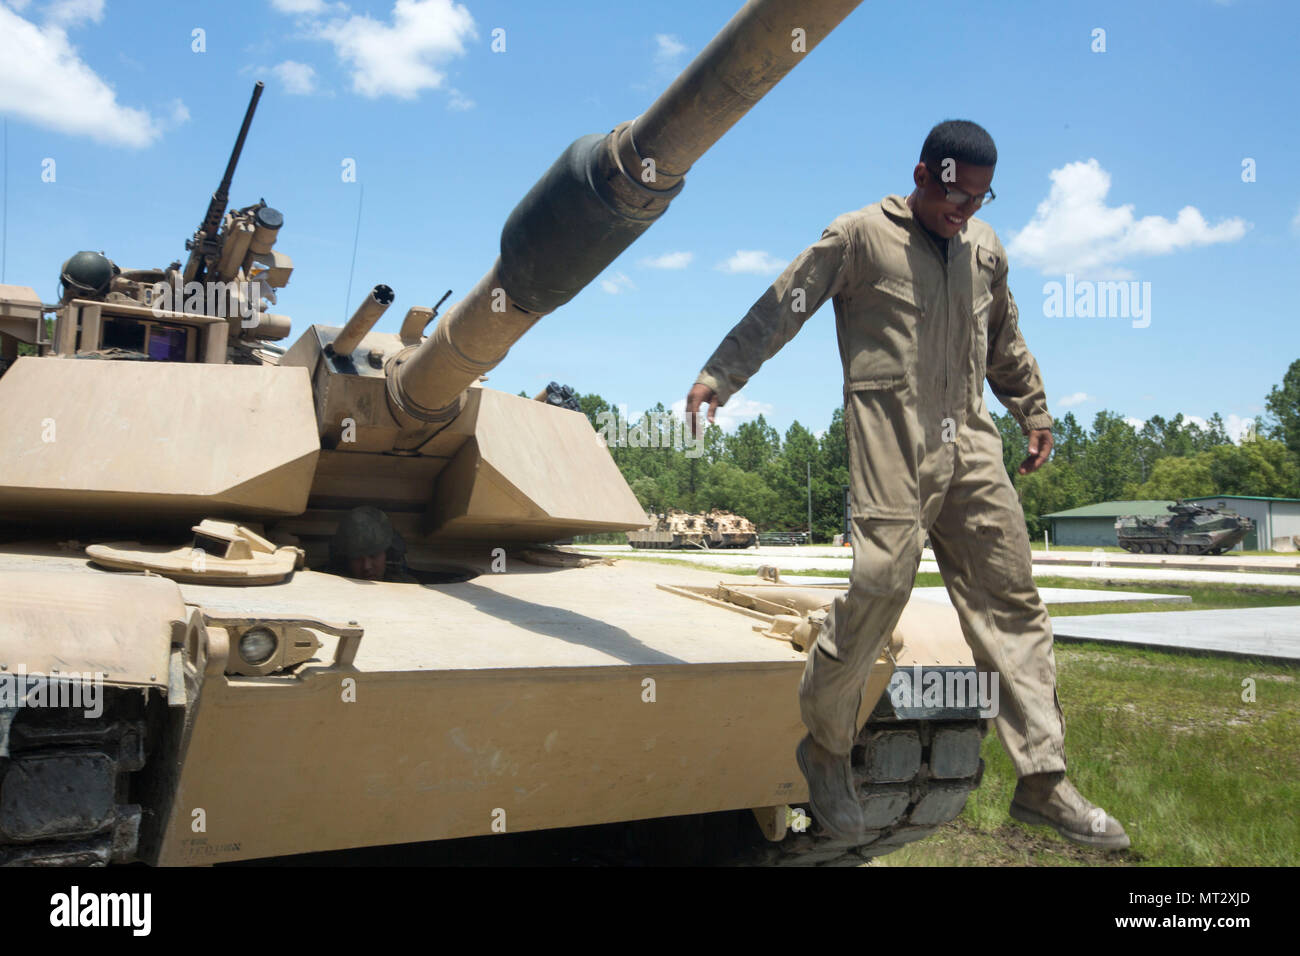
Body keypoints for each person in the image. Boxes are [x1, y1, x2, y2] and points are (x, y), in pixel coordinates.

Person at [685, 120, 1129, 850]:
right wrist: (723, 373)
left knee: (1011, 597)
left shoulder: (984, 250)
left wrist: (1033, 410)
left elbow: (1005, 340)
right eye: (957, 196)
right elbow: (786, 303)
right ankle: (826, 746)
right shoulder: (859, 236)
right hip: (892, 430)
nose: (967, 212)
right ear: (924, 174)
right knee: (883, 580)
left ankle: (1044, 778)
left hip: (972, 436)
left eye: (982, 200)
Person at [328, 506, 412, 582]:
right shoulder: (333, 589)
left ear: (387, 554)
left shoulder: (408, 589)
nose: (366, 567)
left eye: (373, 555)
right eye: (357, 558)